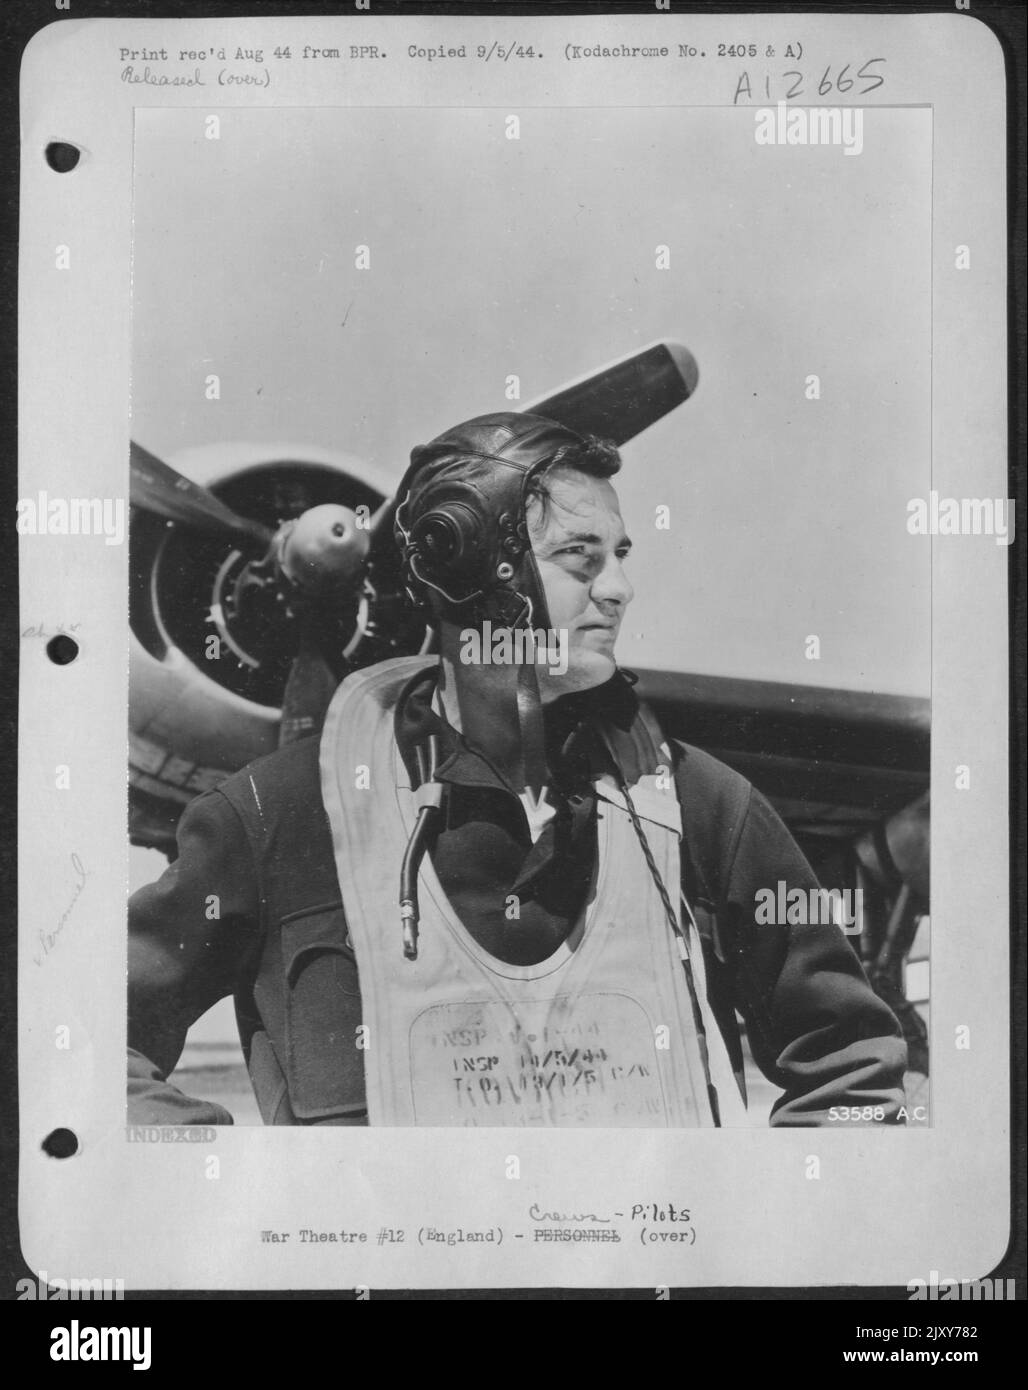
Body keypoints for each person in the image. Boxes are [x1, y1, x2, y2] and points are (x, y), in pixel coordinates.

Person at [128, 413, 907, 1127]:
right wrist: (227, 1194)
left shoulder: (703, 805)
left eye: (621, 557)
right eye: (580, 558)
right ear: (469, 569)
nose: (619, 589)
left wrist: (787, 1231)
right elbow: (89, 1053)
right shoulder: (279, 815)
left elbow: (855, 1075)